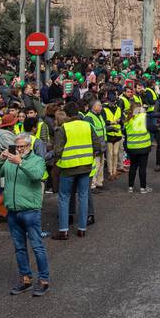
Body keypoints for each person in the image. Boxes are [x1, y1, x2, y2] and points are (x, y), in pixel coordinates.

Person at [0, 132, 51, 292]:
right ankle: (25, 279)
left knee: (37, 246)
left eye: (21, 147)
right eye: (16, 147)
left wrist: (21, 163)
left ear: (29, 147)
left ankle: (44, 280)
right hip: (12, 211)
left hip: (30, 211)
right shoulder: (10, 161)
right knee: (19, 248)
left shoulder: (37, 160)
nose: (18, 149)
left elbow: (37, 175)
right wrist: (0, 159)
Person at [52, 101, 95, 238]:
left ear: (67, 113)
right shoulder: (88, 126)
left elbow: (57, 150)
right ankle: (82, 229)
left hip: (68, 168)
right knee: (83, 196)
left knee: (64, 197)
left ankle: (63, 231)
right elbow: (98, 145)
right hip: (86, 166)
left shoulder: (63, 128)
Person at [124, 103, 153, 193]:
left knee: (133, 167)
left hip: (132, 147)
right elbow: (152, 128)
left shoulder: (128, 119)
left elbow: (125, 133)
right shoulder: (144, 117)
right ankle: (143, 187)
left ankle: (130, 187)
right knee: (142, 168)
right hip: (143, 146)